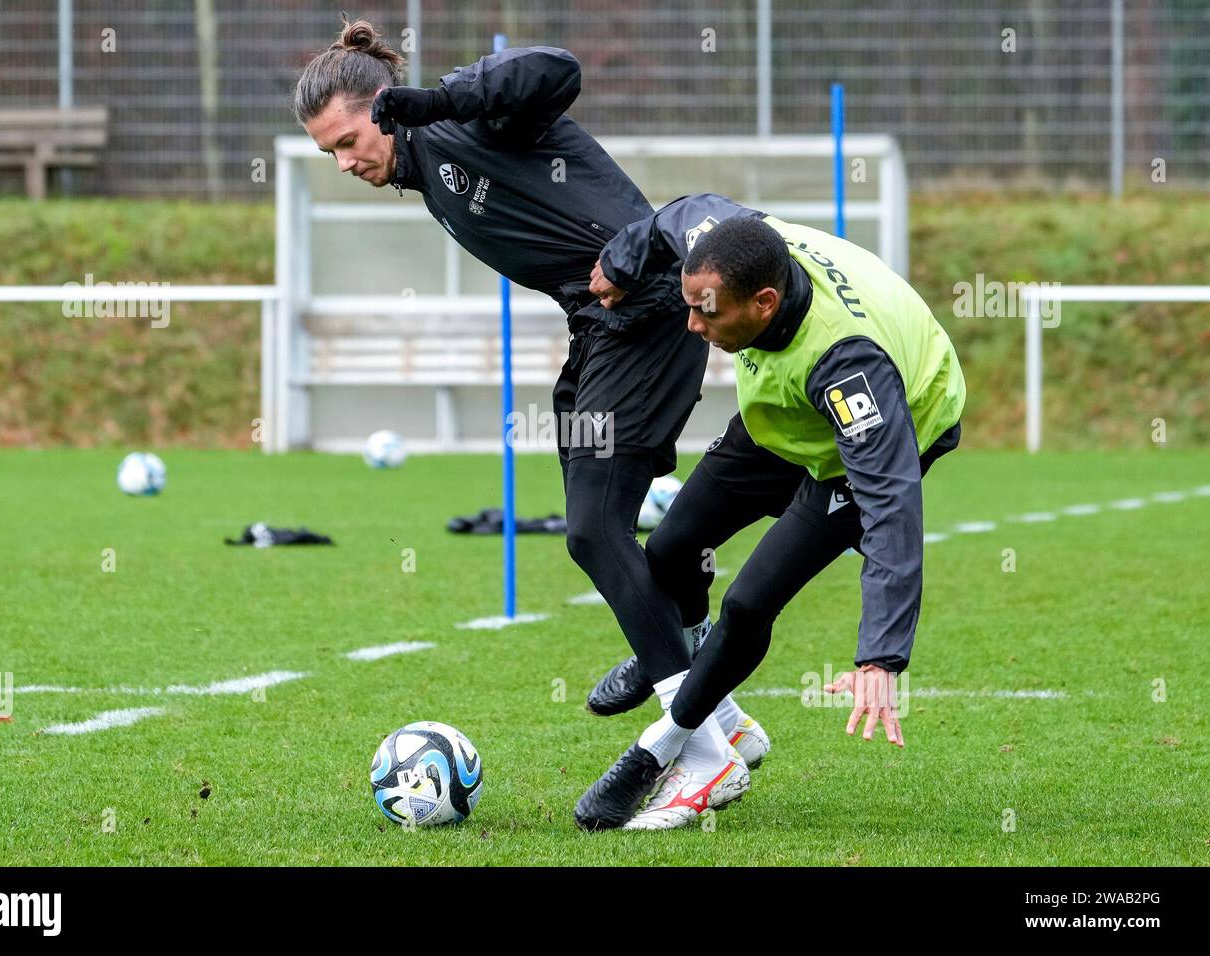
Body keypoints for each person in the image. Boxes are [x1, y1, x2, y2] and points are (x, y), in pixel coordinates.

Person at [291, 21, 770, 799]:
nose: (344, 163)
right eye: (329, 155)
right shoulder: (419, 161)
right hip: (600, 333)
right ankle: (713, 709)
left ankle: (701, 747)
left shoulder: (460, 115)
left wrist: (435, 98)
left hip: (646, 316)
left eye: (346, 141)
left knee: (592, 531)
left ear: (381, 104)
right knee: (601, 531)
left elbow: (556, 68)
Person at [574, 195, 966, 830]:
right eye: (690, 302)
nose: (693, 325)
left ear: (764, 304)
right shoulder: (738, 244)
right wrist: (624, 258)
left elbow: (892, 503)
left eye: (708, 311)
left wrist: (880, 656)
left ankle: (673, 752)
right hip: (784, 416)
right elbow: (684, 213)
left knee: (750, 602)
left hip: (884, 436)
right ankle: (719, 703)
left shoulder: (849, 365)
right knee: (672, 550)